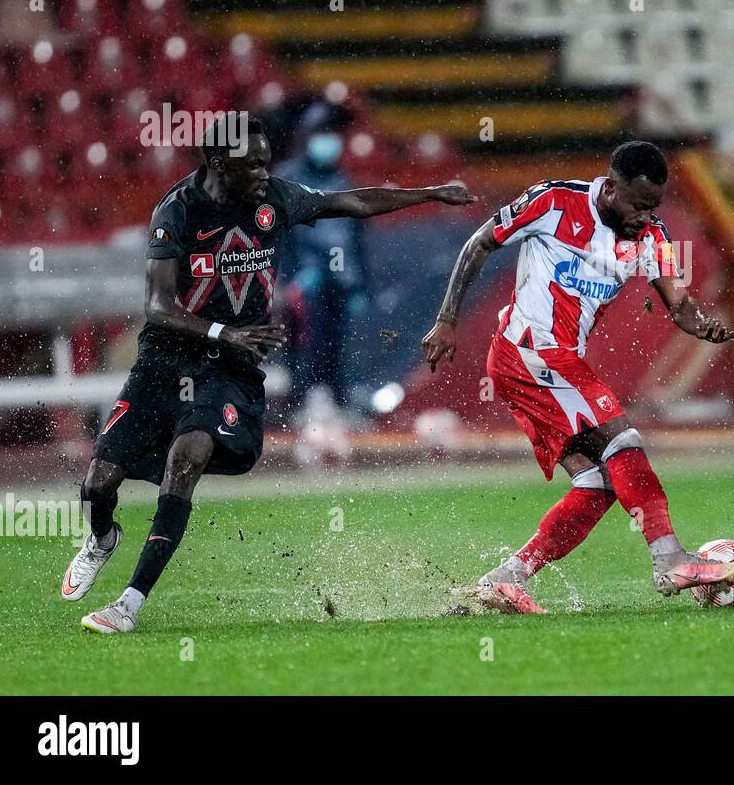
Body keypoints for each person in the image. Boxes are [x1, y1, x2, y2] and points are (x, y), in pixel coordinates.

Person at [64, 116, 475, 633]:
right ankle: (101, 539)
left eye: (266, 161)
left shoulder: (275, 198)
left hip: (230, 366)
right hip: (166, 358)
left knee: (186, 458)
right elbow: (158, 305)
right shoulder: (178, 210)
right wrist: (223, 331)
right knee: (100, 483)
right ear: (217, 163)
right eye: (252, 163)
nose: (264, 171)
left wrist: (431, 193)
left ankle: (128, 604)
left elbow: (348, 202)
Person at [422, 140, 734, 613]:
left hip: (549, 362)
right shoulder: (553, 202)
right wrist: (448, 318)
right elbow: (479, 243)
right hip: (529, 352)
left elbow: (679, 303)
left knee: (599, 481)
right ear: (611, 188)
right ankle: (671, 559)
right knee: (624, 441)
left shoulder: (650, 236)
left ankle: (504, 580)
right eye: (638, 204)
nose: (645, 216)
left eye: (653, 206)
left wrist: (703, 325)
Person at [276, 100, 372, 413]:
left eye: (333, 133)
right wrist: (289, 277)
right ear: (306, 136)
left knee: (339, 342)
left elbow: (356, 240)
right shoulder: (286, 180)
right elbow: (276, 235)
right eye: (321, 133)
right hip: (303, 282)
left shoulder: (342, 182)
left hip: (339, 281)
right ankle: (306, 399)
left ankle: (339, 397)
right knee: (307, 341)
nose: (329, 141)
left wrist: (360, 285)